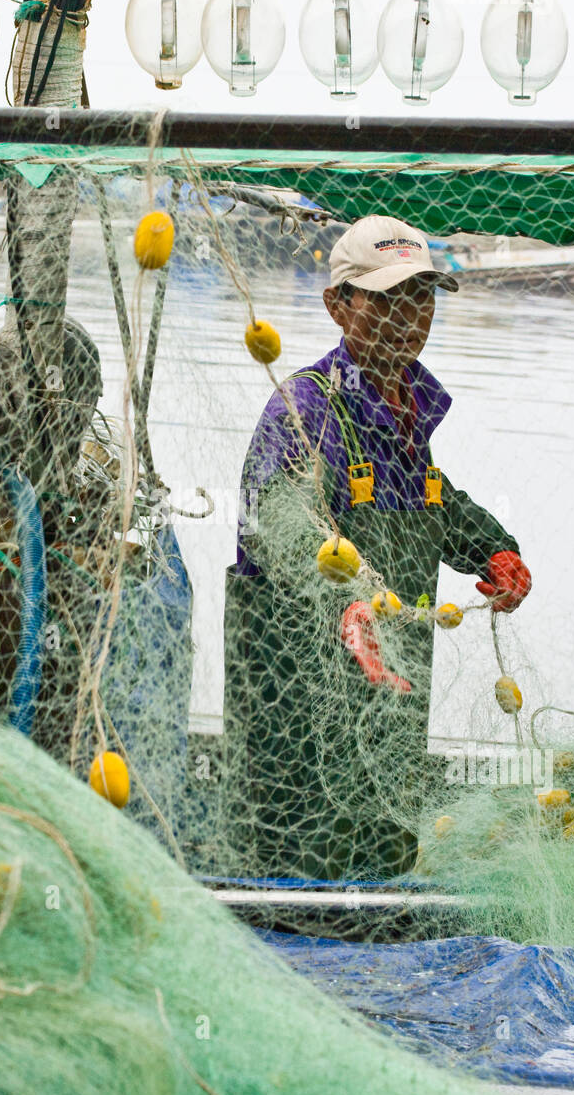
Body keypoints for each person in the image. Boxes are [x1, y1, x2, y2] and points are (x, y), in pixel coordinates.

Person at [222, 215, 532, 881]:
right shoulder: (303, 408)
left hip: (391, 676)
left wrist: (495, 552)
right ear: (339, 305)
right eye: (387, 299)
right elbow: (277, 517)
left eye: (420, 297)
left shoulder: (407, 412)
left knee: (386, 830)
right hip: (301, 681)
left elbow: (431, 497)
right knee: (301, 845)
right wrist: (351, 598)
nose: (407, 316)